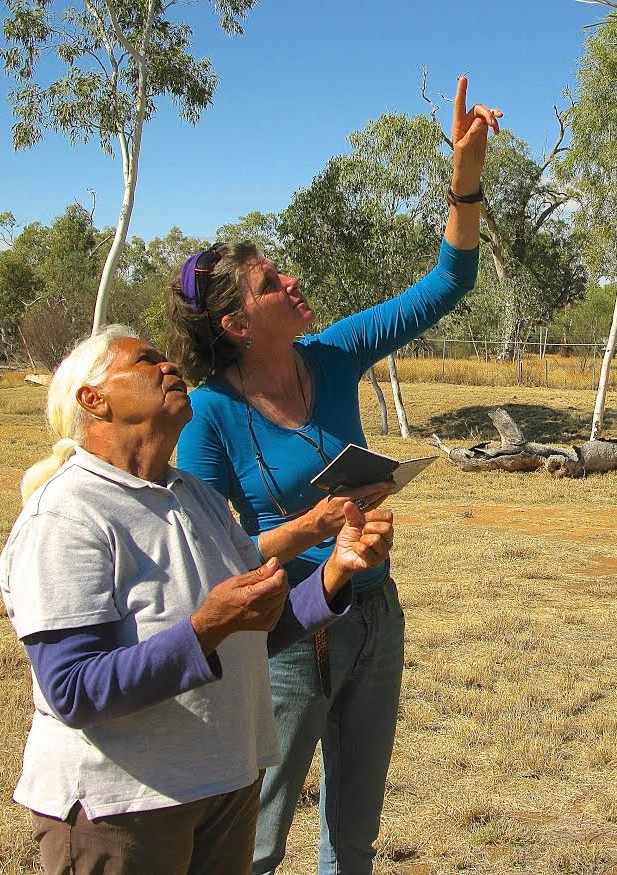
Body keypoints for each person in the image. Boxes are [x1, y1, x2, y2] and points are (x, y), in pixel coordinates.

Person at [165, 76, 502, 874]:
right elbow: (213, 558)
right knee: (255, 839)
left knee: (353, 837)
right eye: (270, 283)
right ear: (237, 324)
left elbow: (448, 283)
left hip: (374, 614)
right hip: (284, 637)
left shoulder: (333, 353)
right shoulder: (208, 415)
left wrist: (464, 181)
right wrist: (314, 528)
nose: (291, 281)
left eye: (282, 269)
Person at [0, 325, 395, 875]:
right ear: (93, 400)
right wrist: (205, 629)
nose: (169, 367)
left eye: (165, 358)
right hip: (124, 808)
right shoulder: (68, 515)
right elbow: (72, 690)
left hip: (224, 787)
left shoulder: (196, 498)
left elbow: (255, 632)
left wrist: (334, 571)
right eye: (145, 361)